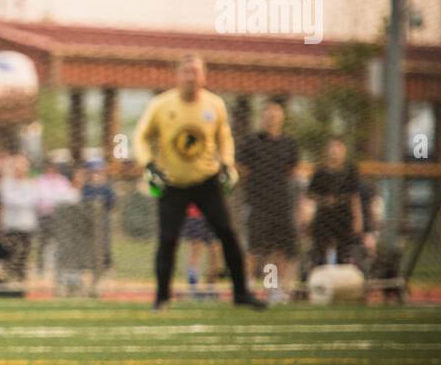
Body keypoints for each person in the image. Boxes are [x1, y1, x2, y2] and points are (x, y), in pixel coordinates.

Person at [132, 54, 265, 310]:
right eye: (186, 72)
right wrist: (149, 164)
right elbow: (141, 136)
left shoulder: (215, 105)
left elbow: (225, 137)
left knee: (227, 234)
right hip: (172, 184)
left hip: (207, 182)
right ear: (178, 75)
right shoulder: (161, 105)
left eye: (196, 72)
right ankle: (161, 298)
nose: (191, 77)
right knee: (167, 239)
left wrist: (226, 163)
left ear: (204, 76)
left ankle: (241, 293)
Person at [237, 100, 300, 303]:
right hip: (257, 204)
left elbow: (292, 171)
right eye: (268, 115)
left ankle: (272, 288)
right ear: (262, 118)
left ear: (282, 118)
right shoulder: (251, 142)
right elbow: (241, 168)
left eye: (275, 115)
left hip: (280, 204)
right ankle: (245, 287)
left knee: (278, 249)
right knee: (254, 248)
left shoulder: (288, 144)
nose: (271, 118)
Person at [306, 137, 363, 267]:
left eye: (338, 148)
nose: (335, 152)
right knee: (319, 253)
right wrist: (308, 217)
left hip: (343, 214)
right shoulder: (320, 172)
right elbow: (311, 196)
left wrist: (358, 218)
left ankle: (341, 282)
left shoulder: (350, 171)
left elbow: (354, 196)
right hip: (324, 214)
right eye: (332, 148)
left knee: (344, 253)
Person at [0, 155, 39, 281]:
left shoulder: (31, 183)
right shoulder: (6, 183)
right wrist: (23, 200)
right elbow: (8, 199)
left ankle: (20, 280)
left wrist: (20, 199)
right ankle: (9, 278)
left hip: (27, 225)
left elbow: (33, 200)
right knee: (13, 253)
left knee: (25, 255)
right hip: (11, 225)